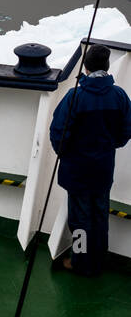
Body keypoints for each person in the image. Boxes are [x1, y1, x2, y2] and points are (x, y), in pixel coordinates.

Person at [49, 44, 131, 277]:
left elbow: (58, 132)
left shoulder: (76, 96)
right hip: (103, 169)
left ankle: (80, 262)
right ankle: (98, 258)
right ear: (106, 67)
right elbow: (126, 131)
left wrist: (65, 153)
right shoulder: (119, 96)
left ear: (85, 67)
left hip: (77, 171)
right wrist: (110, 145)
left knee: (79, 221)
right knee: (99, 215)